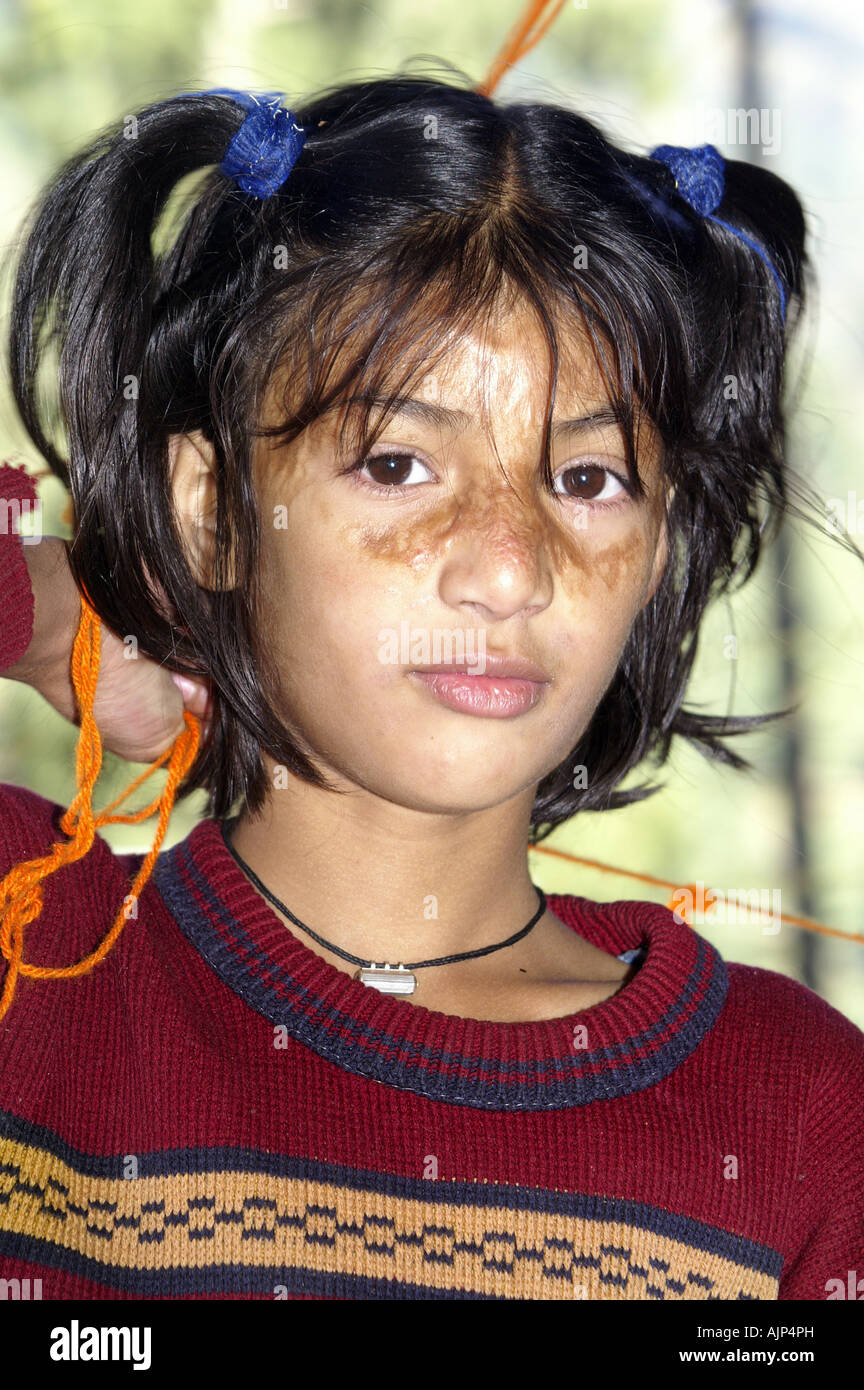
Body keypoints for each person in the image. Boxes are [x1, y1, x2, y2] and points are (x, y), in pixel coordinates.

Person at [0, 74, 861, 1301]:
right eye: (399, 462)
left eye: (588, 479)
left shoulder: (804, 1112)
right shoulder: (33, 965)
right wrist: (49, 606)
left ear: (662, 544)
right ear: (213, 509)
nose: (510, 568)